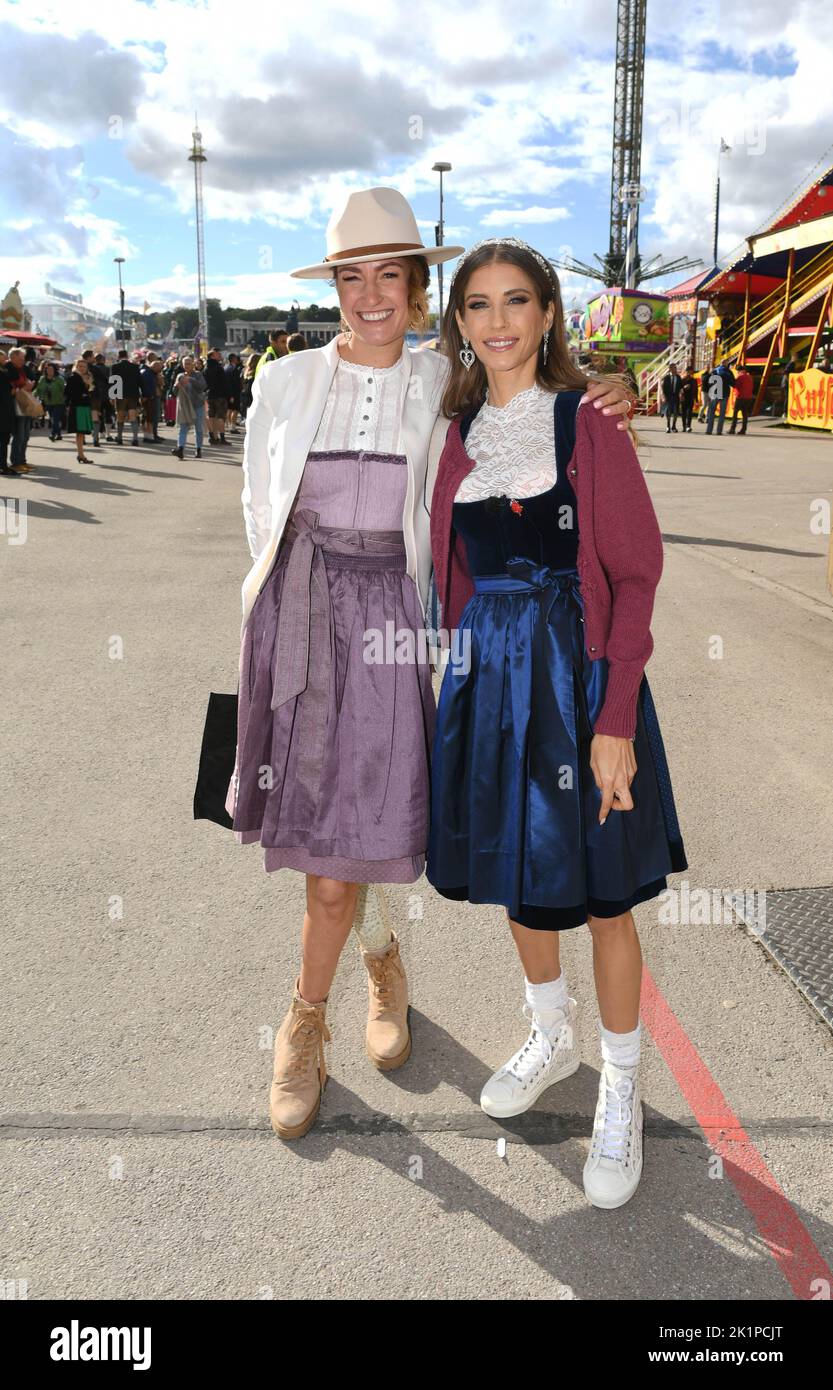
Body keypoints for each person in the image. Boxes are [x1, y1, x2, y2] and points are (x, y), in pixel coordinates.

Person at [223, 187, 636, 1144]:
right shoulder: (281, 382)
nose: (370, 295)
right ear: (333, 285)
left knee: (374, 829)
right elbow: (257, 508)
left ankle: (383, 955)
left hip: (400, 633)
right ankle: (309, 1017)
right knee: (324, 862)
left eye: (390, 276)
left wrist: (614, 390)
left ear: (417, 288)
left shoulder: (440, 388)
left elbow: (530, 401)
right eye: (350, 276)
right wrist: (290, 599)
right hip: (302, 619)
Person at [425, 237, 687, 1210]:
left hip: (577, 686)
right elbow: (455, 572)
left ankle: (619, 1080)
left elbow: (632, 573)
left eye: (516, 302)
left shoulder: (586, 424)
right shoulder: (453, 430)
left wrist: (612, 719)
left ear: (545, 316)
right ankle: (550, 1030)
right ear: (458, 320)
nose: (496, 321)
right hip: (490, 684)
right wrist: (455, 679)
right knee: (516, 877)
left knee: (606, 893)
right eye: (479, 304)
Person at [171, 355, 207, 458]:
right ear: (182, 365)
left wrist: (190, 379)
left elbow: (202, 387)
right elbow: (174, 392)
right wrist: (176, 386)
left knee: (198, 429)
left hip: (197, 405)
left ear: (193, 365)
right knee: (183, 428)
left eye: (189, 363)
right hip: (185, 407)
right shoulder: (180, 376)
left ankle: (198, 449)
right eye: (185, 364)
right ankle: (180, 449)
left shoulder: (198, 374)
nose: (187, 365)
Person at [7, 348, 34, 472]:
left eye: (23, 359)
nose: (23, 361)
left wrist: (30, 385)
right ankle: (16, 462)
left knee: (26, 435)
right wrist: (24, 386)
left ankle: (22, 460)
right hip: (16, 405)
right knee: (19, 435)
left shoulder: (22, 369)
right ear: (12, 357)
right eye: (20, 359)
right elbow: (10, 387)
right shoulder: (8, 368)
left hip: (24, 404)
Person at [110, 349, 142, 446]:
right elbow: (140, 381)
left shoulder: (114, 367)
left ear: (119, 357)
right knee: (133, 415)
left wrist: (112, 396)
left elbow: (113, 381)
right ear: (127, 356)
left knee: (120, 416)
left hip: (120, 394)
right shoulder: (135, 367)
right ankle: (135, 438)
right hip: (133, 394)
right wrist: (143, 394)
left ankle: (119, 437)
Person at [65, 358, 94, 463]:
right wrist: (83, 394)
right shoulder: (74, 378)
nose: (82, 368)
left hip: (83, 406)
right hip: (78, 406)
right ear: (76, 367)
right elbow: (68, 392)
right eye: (80, 366)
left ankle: (81, 454)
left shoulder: (86, 378)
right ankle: (80, 455)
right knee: (80, 432)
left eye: (84, 366)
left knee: (81, 433)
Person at [203, 348, 229, 445]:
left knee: (211, 416)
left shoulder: (206, 368)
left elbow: (205, 383)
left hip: (210, 395)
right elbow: (224, 382)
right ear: (212, 356)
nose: (219, 355)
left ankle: (213, 437)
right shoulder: (218, 367)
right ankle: (222, 438)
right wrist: (228, 394)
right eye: (217, 354)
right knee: (220, 417)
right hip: (220, 395)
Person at [35, 360, 66, 441]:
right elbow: (38, 389)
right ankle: (59, 434)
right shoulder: (42, 379)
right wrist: (32, 395)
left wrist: (66, 400)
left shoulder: (59, 379)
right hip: (48, 402)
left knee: (55, 419)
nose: (49, 371)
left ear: (54, 370)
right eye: (48, 369)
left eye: (51, 369)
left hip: (59, 402)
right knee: (52, 419)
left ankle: (53, 434)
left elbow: (65, 390)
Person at [704, 362, 735, 435]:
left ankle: (709, 430)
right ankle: (719, 431)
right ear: (726, 364)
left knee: (712, 412)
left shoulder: (715, 371)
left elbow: (709, 382)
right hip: (724, 394)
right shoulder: (728, 372)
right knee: (722, 413)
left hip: (715, 393)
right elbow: (733, 383)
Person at [0, 349, 17, 474]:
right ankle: (2, 466)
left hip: (6, 408)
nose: (6, 360)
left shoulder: (4, 369)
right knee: (2, 439)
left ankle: (3, 465)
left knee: (4, 439)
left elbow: (14, 376)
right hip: (2, 409)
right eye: (4, 358)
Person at [729, 363, 754, 435]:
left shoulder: (740, 377)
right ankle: (743, 429)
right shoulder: (749, 377)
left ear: (739, 371)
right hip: (748, 398)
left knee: (735, 414)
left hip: (740, 397)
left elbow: (735, 386)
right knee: (745, 414)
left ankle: (732, 429)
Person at [661, 361, 682, 433]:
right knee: (668, 412)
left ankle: (674, 426)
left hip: (676, 397)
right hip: (668, 397)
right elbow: (663, 387)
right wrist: (663, 396)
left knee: (676, 412)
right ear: (670, 369)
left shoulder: (678, 377)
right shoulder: (666, 378)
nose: (675, 369)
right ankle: (668, 426)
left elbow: (680, 387)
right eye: (674, 368)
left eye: (676, 368)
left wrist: (681, 393)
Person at [224, 351, 242, 433]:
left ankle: (228, 425)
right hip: (234, 392)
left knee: (229, 409)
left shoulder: (226, 367)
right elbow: (234, 382)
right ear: (233, 359)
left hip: (228, 392)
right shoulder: (234, 369)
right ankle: (233, 427)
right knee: (235, 410)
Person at [678, 364, 697, 433]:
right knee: (684, 413)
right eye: (689, 372)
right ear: (686, 372)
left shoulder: (693, 380)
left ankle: (688, 426)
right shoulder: (682, 380)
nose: (690, 373)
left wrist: (696, 400)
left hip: (690, 398)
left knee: (689, 413)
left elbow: (696, 390)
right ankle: (684, 426)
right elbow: (679, 389)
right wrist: (684, 388)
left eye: (691, 372)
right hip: (684, 398)